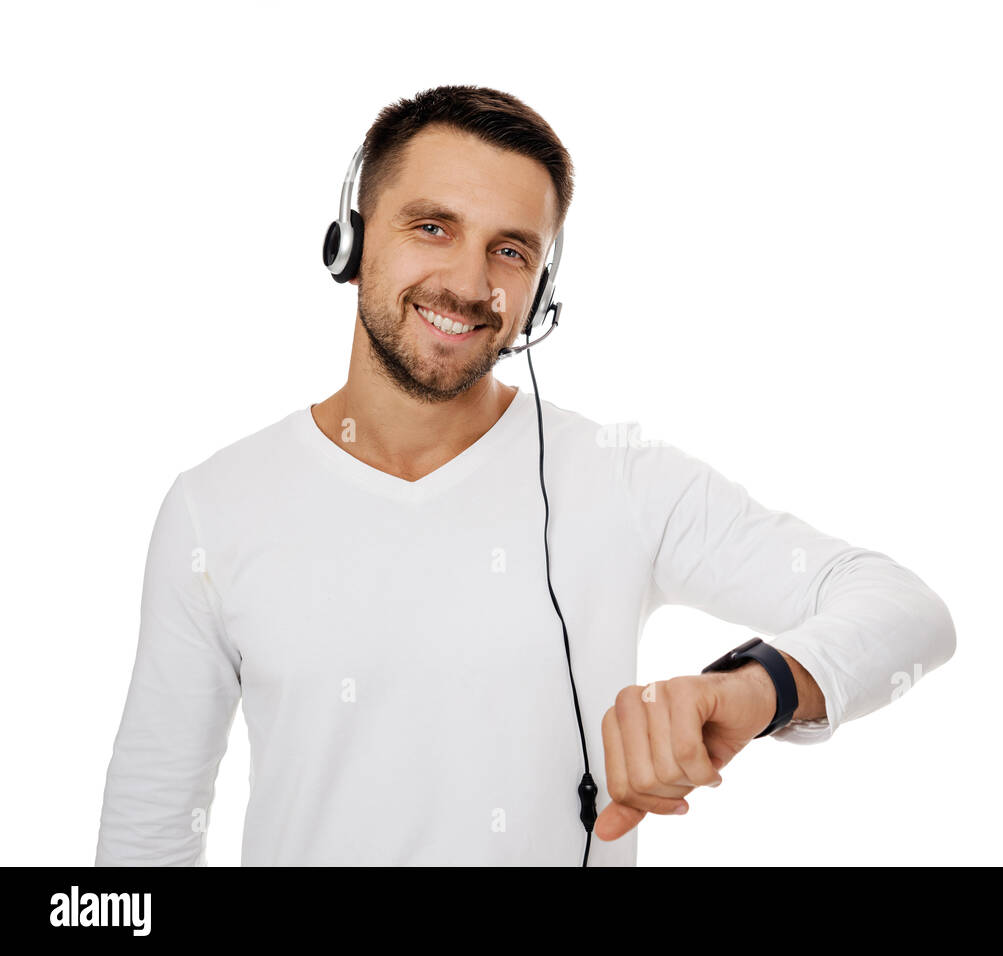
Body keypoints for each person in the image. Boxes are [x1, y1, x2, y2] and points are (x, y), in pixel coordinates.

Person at [94, 84, 957, 867]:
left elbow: (904, 609)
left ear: (543, 290)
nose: (468, 283)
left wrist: (756, 687)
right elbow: (151, 830)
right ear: (352, 240)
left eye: (510, 250)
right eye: (431, 226)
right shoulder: (215, 507)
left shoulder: (621, 479)